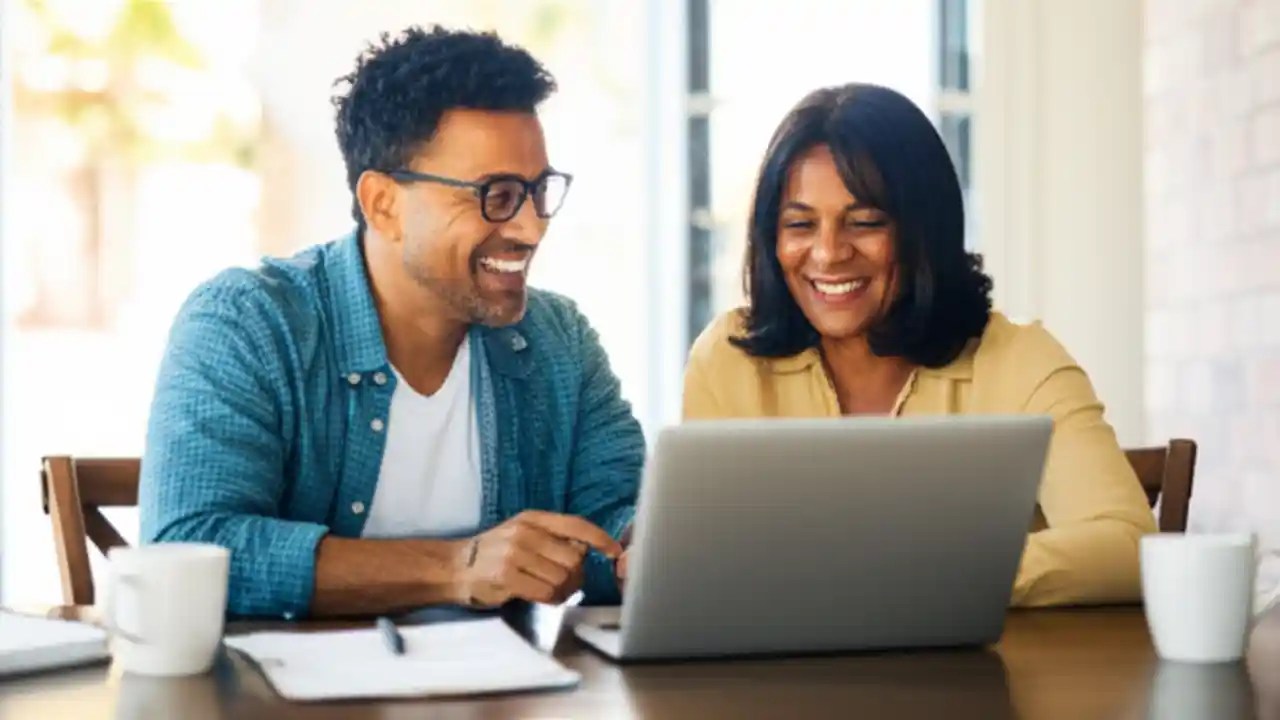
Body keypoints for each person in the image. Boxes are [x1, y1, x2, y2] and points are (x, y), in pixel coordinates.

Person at [139, 26, 642, 619]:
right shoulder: (249, 323)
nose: (532, 228)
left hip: (505, 701)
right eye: (497, 196)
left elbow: (614, 515)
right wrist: (457, 567)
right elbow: (190, 547)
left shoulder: (558, 339)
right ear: (384, 203)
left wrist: (641, 550)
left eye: (538, 191)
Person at [682, 83, 1156, 607]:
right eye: (799, 224)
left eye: (864, 223)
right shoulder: (728, 360)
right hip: (781, 684)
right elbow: (704, 565)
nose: (828, 252)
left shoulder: (1022, 360)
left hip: (982, 684)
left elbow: (1128, 544)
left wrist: (930, 573)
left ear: (923, 232)